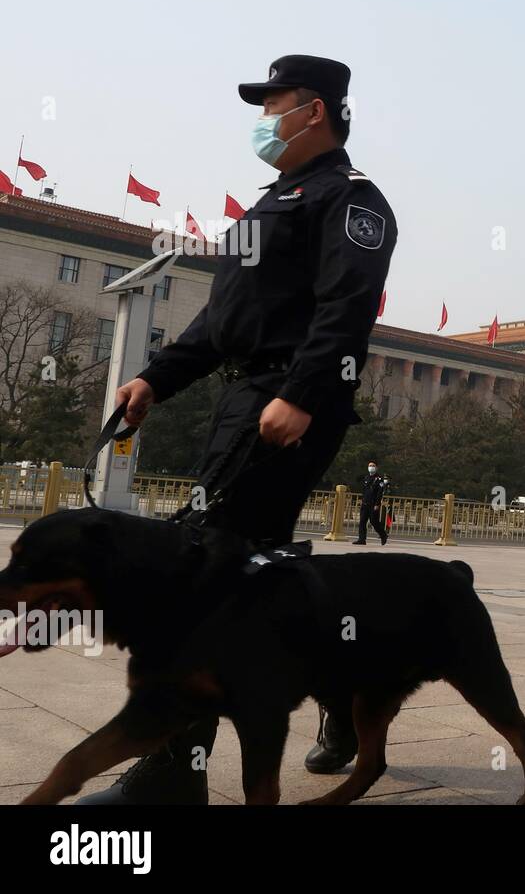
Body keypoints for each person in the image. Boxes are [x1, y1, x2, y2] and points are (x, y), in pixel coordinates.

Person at [84, 55, 397, 804]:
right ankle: (352, 695)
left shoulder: (351, 202)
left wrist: (303, 393)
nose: (263, 118)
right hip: (245, 398)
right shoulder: (271, 203)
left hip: (286, 403)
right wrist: (157, 378)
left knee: (210, 575)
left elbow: (346, 309)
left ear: (313, 111)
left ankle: (172, 771)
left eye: (273, 103)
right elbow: (222, 322)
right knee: (258, 578)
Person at [354, 459, 390, 545]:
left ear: (376, 468)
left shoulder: (379, 479)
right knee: (362, 521)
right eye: (370, 466)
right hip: (365, 503)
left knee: (374, 522)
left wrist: (377, 504)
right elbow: (364, 490)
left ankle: (383, 535)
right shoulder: (366, 478)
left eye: (373, 466)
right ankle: (362, 539)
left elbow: (379, 493)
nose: (371, 467)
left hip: (373, 504)